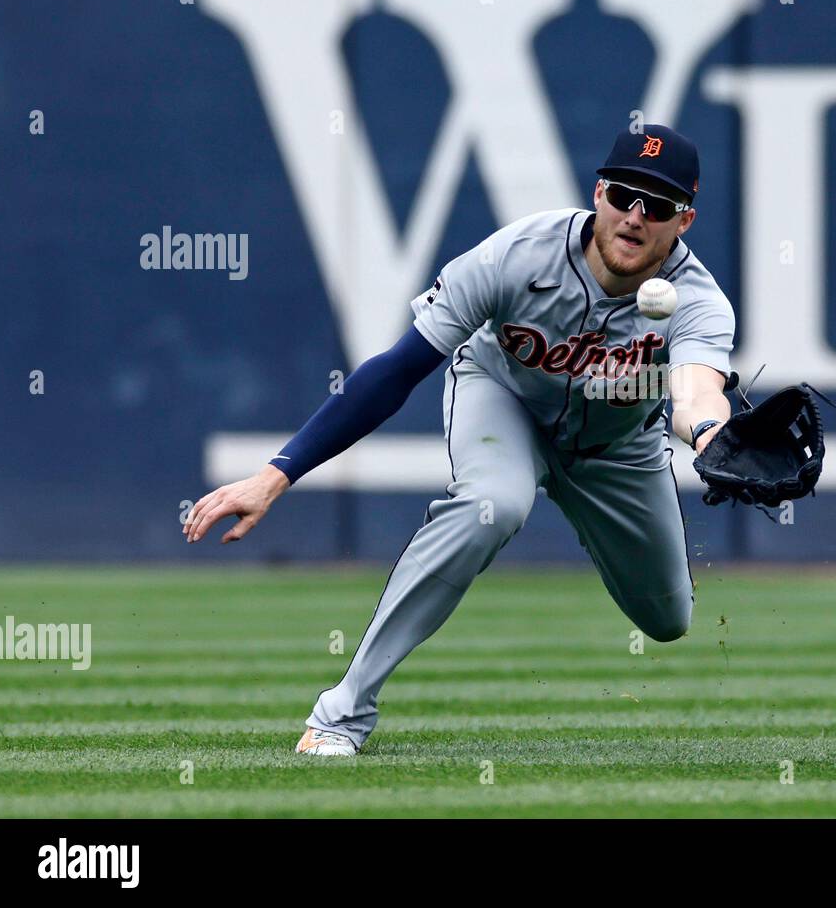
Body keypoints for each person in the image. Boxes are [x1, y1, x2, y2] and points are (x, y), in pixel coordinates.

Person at [183, 125, 735, 755]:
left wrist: (712, 434)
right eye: (624, 195)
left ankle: (593, 517)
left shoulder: (698, 301)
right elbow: (396, 370)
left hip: (617, 450)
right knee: (491, 506)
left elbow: (695, 394)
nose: (635, 218)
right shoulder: (518, 255)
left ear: (683, 220)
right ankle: (341, 716)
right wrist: (275, 475)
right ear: (598, 191)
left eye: (657, 206)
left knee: (667, 622)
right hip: (505, 401)